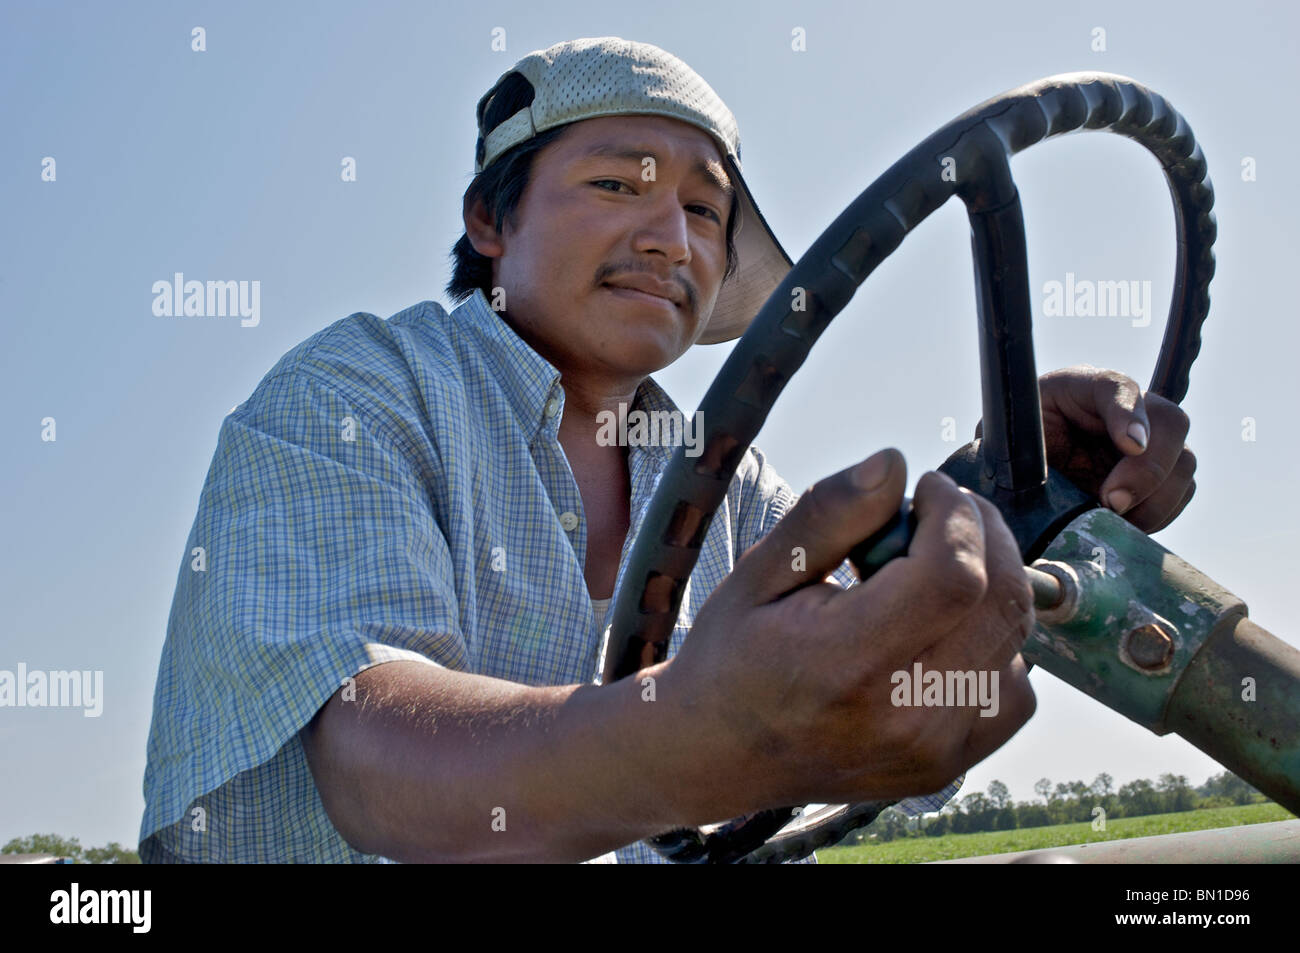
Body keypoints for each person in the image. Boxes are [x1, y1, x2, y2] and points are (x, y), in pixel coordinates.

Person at [138, 37, 1197, 864]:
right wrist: (687, 736)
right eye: (617, 186)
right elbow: (376, 768)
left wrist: (1002, 497)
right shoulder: (357, 394)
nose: (671, 239)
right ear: (489, 221)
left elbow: (879, 666)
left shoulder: (723, 480)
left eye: (705, 209)